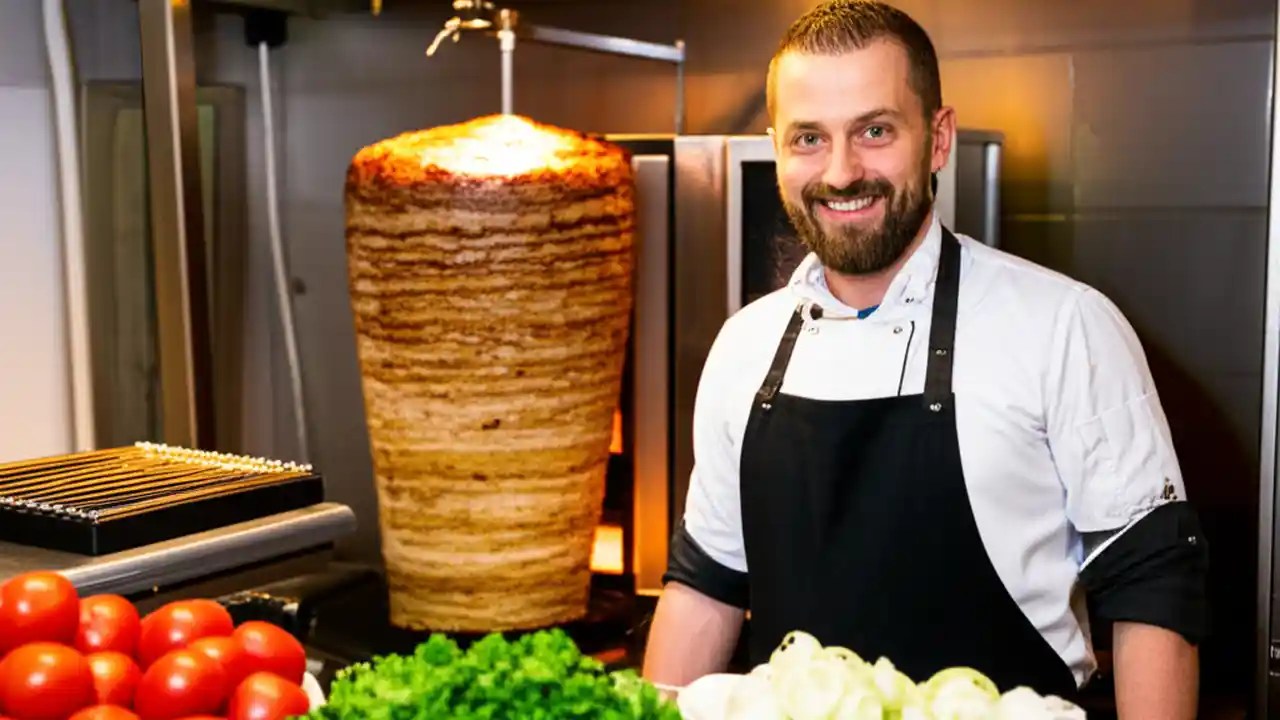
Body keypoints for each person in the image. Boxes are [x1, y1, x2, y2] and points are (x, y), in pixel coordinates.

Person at [641, 1, 1209, 717]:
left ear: (938, 138)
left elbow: (1154, 587)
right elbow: (706, 587)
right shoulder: (743, 346)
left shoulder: (1063, 326)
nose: (842, 173)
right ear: (777, 148)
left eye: (874, 131)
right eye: (809, 138)